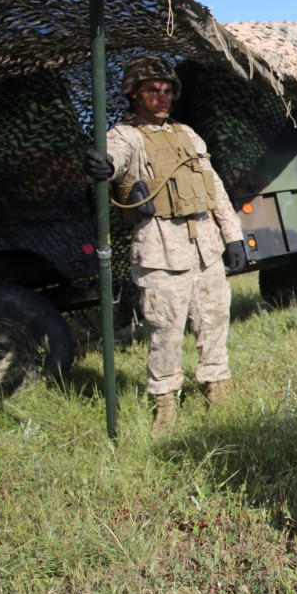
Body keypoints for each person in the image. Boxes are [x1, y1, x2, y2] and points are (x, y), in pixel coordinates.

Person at [84, 56, 246, 435]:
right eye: (152, 90)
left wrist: (233, 235)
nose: (162, 97)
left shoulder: (188, 134)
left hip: (206, 248)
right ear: (134, 93)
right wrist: (104, 165)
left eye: (167, 90)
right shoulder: (126, 135)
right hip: (161, 253)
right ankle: (165, 404)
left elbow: (215, 187)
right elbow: (113, 157)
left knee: (214, 322)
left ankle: (217, 389)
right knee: (165, 332)